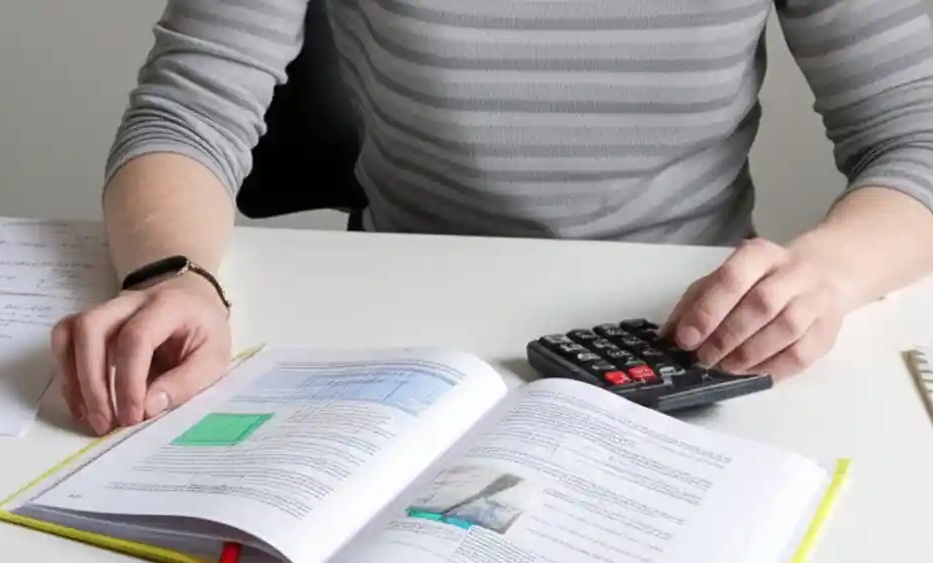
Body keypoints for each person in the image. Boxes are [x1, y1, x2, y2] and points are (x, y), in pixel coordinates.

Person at [52, 0, 933, 436]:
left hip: (686, 345)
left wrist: (832, 272)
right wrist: (176, 276)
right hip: (397, 344)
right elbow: (187, 114)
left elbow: (917, 133)